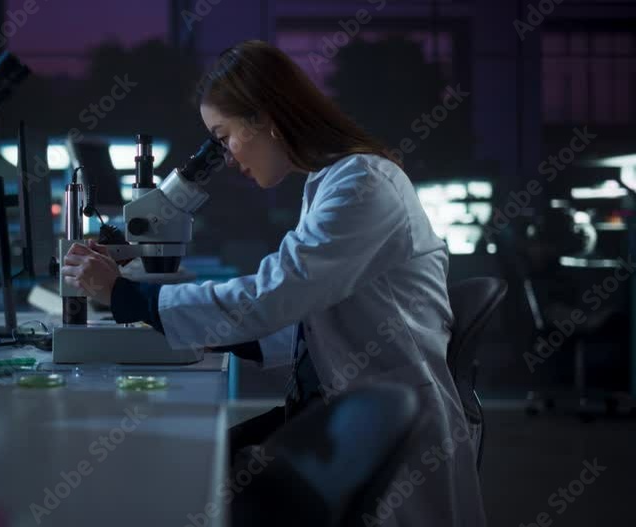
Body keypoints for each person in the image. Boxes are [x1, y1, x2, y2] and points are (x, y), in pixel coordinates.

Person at [60, 40, 486, 526]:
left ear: (264, 118)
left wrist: (127, 295)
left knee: (185, 472)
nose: (223, 156)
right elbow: (307, 321)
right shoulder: (333, 183)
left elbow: (274, 294)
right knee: (197, 458)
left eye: (223, 137)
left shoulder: (362, 185)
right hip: (345, 409)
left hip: (382, 434)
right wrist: (193, 324)